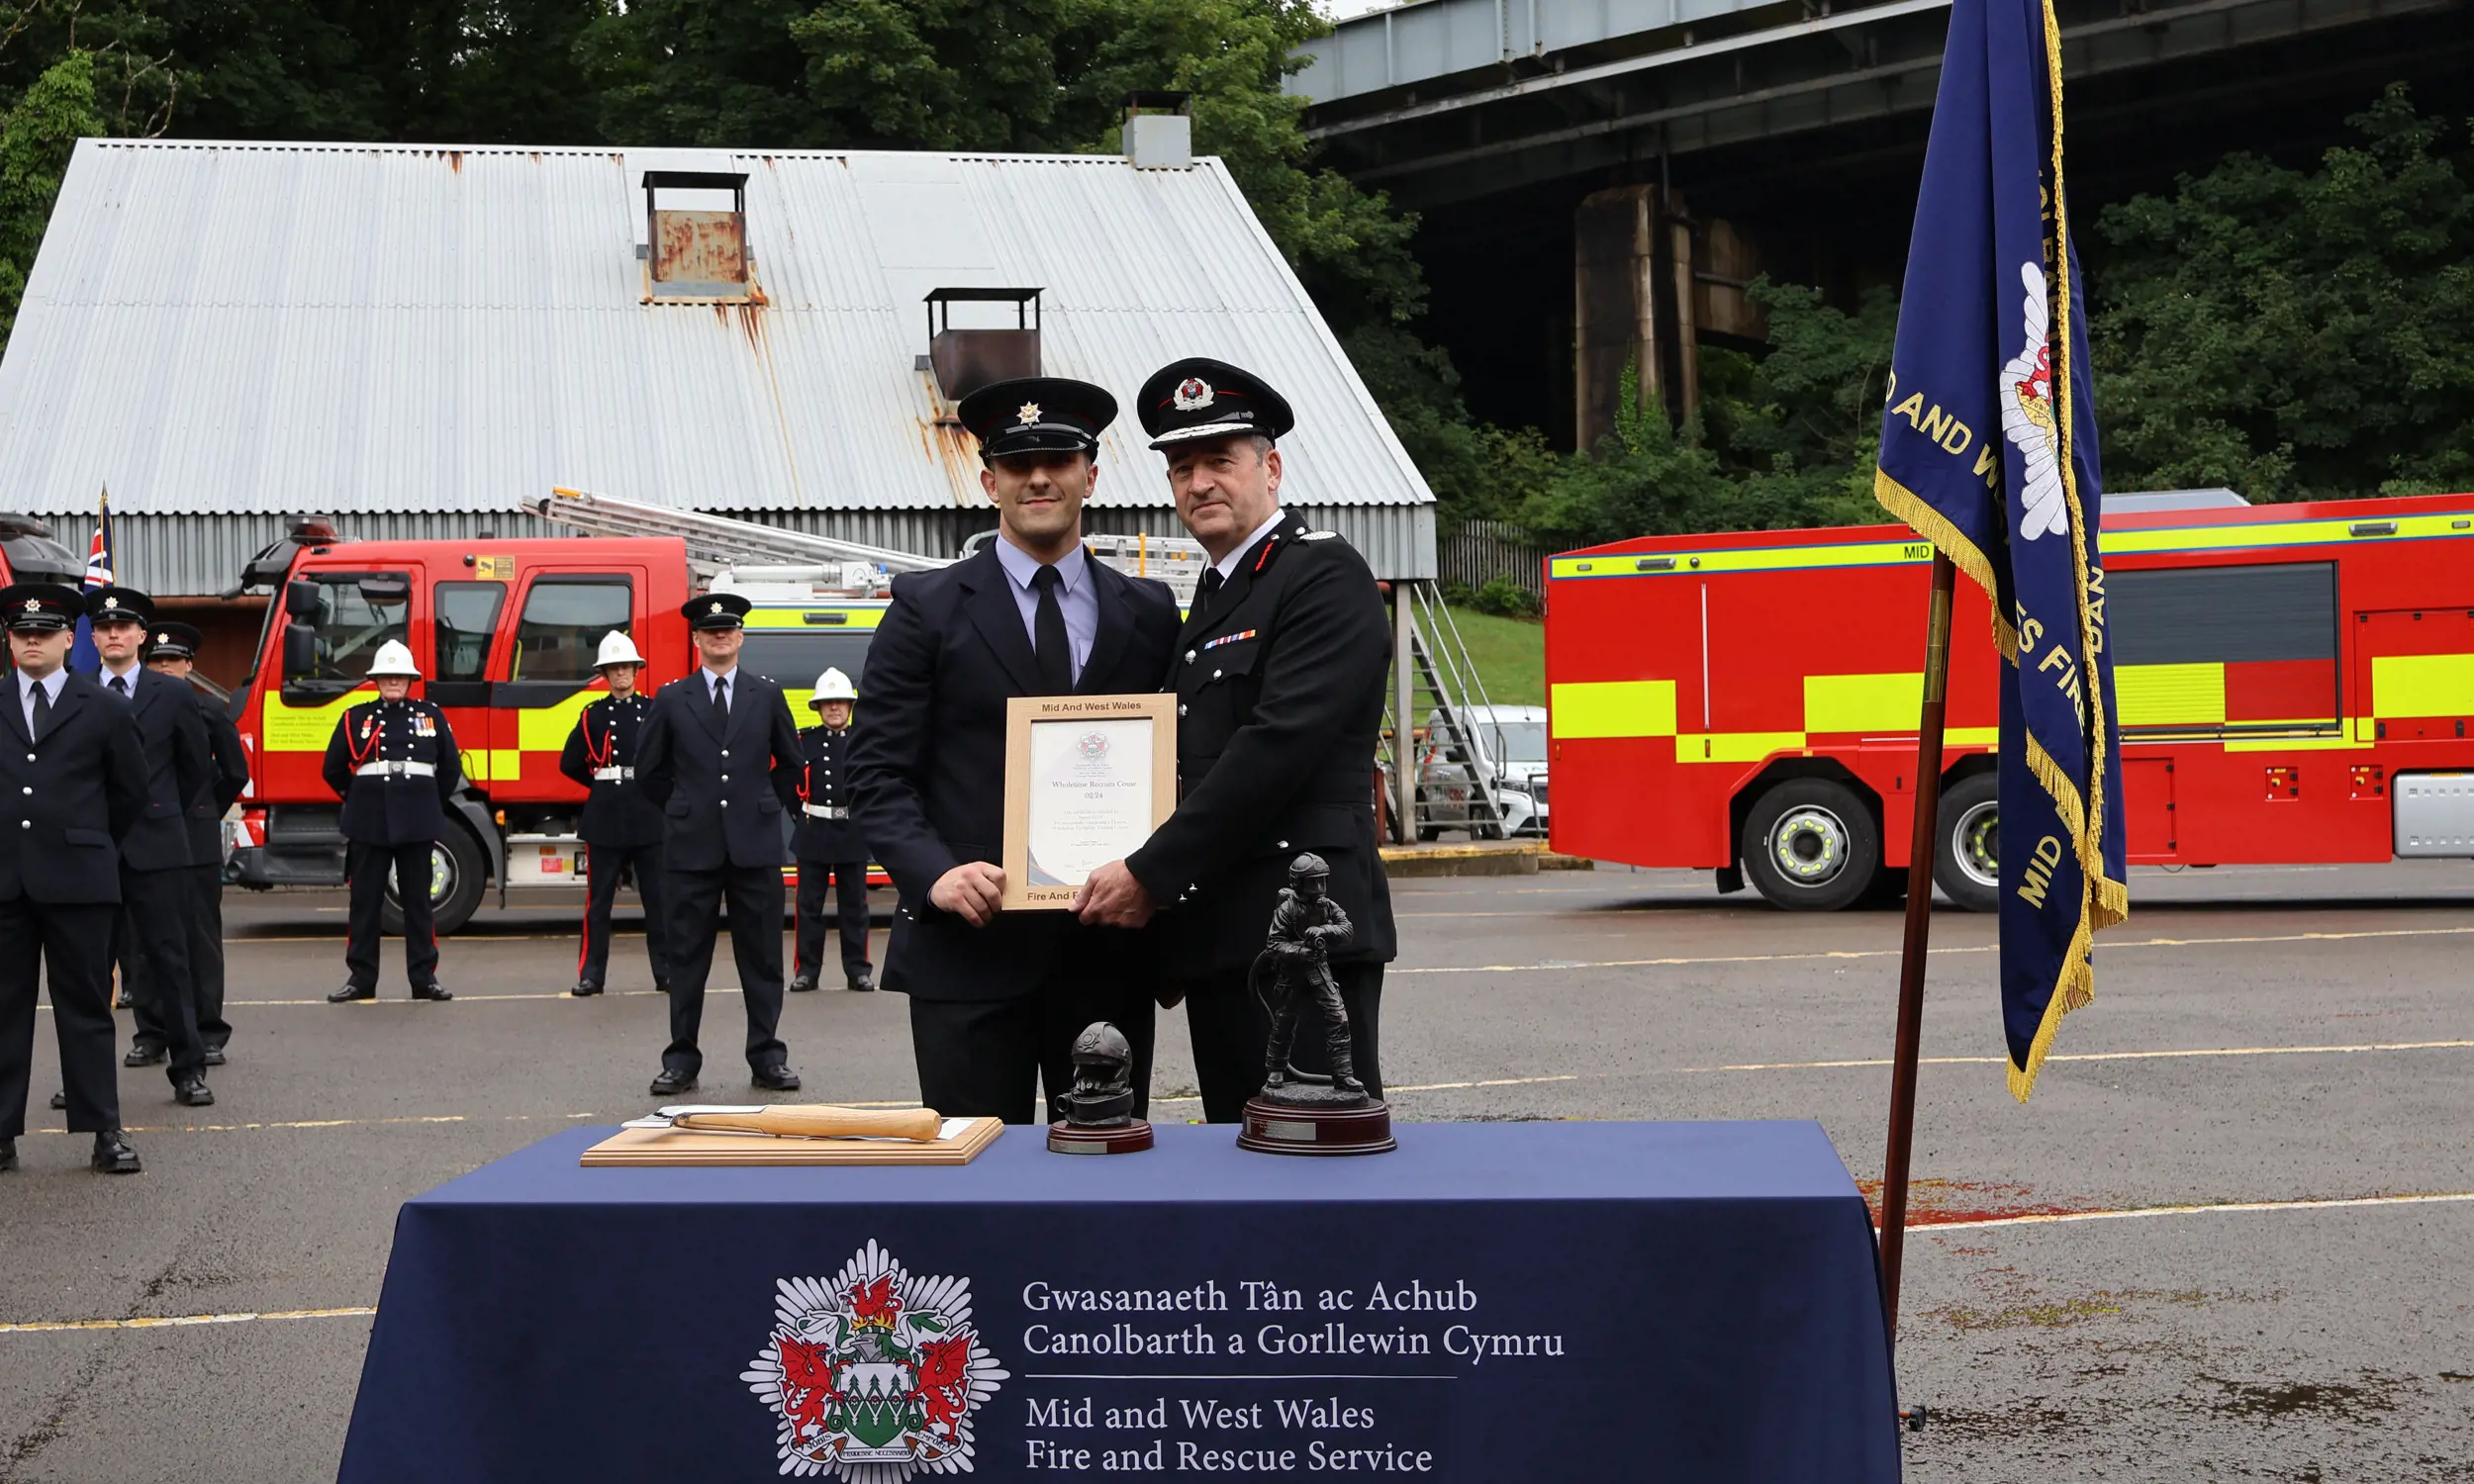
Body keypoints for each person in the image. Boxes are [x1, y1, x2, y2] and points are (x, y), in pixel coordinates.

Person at [845, 376, 1181, 1125]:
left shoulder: (1150, 612)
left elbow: (1173, 765)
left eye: (1060, 459)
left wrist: (1157, 875)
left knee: (1101, 1178)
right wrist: (933, 874)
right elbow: (875, 771)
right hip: (969, 950)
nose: (1039, 477)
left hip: (1105, 955)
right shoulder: (924, 609)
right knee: (976, 1191)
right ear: (988, 478)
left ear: (1090, 476)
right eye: (1018, 462)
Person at [1076, 357, 1399, 1124]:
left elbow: (1275, 746)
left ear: (1272, 467)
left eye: (1220, 461)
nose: (1200, 484)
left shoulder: (1322, 575)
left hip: (1305, 935)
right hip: (1222, 940)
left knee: (1317, 1161)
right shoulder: (1218, 594)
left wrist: (1149, 873)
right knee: (1240, 1159)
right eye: (1182, 467)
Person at [0, 584, 148, 1174]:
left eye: (44, 633)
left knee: (85, 1008)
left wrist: (88, 844)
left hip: (81, 883)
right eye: (21, 633)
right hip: (6, 881)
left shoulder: (105, 707)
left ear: (69, 639)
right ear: (9, 641)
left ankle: (102, 1129)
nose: (32, 641)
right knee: (3, 1009)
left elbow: (130, 792)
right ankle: (2, 1131)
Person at [634, 592, 807, 1097]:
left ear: (741, 637)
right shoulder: (672, 698)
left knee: (763, 959)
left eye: (728, 630)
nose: (720, 637)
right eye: (711, 632)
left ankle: (767, 1058)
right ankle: (681, 1061)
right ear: (697, 640)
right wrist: (684, 806)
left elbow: (791, 762)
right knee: (686, 960)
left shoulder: (766, 695)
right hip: (691, 850)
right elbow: (649, 772)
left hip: (754, 848)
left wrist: (762, 802)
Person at [87, 587, 216, 1108]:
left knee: (170, 959)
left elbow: (193, 772)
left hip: (157, 845)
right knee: (90, 969)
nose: (114, 634)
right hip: (93, 850)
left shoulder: (174, 694)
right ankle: (85, 1077)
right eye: (104, 627)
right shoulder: (73, 690)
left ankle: (189, 1069)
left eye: (124, 627)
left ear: (141, 635)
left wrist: (158, 813)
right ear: (92, 637)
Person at [134, 622, 248, 1066]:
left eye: (173, 661)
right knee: (143, 938)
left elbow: (234, 773)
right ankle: (151, 1033)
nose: (165, 668)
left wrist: (202, 811)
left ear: (189, 666)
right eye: (157, 661)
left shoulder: (208, 712)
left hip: (194, 837)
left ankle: (208, 1031)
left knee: (199, 936)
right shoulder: (129, 707)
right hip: (146, 836)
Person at [322, 640, 459, 1003]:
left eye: (399, 676)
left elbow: (450, 768)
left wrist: (430, 803)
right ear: (376, 680)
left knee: (418, 903)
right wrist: (358, 799)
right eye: (386, 676)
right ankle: (361, 978)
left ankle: (424, 978)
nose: (393, 682)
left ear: (410, 679)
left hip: (417, 819)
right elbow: (332, 768)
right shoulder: (355, 717)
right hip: (369, 820)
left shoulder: (430, 715)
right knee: (364, 903)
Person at [556, 630, 671, 998]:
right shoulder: (592, 714)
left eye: (626, 667)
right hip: (605, 816)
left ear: (636, 670)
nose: (621, 674)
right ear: (604, 673)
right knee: (598, 903)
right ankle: (592, 975)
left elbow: (671, 760)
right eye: (614, 668)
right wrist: (603, 785)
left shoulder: (654, 710)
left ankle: (666, 972)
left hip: (648, 814)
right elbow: (570, 763)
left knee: (658, 900)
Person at [790, 666, 874, 995]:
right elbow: (787, 781)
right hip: (814, 831)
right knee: (808, 908)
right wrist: (801, 814)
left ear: (850, 707)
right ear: (818, 707)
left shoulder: (862, 743)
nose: (834, 708)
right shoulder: (803, 741)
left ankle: (858, 971)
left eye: (840, 702)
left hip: (851, 831)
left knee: (855, 907)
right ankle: (807, 971)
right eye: (828, 703)